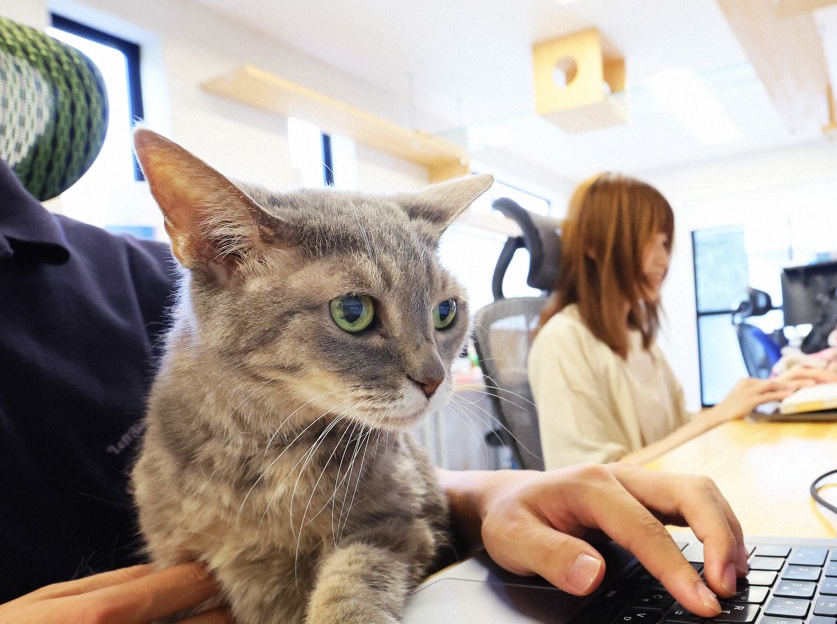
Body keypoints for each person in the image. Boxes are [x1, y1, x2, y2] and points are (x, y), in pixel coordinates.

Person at [0, 158, 749, 622]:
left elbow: (398, 504)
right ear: (223, 259)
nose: (430, 374)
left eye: (445, 315)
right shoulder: (198, 328)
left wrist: (489, 493)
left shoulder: (111, 275)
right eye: (356, 313)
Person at [529, 172, 837, 469]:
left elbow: (676, 431)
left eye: (664, 243)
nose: (662, 259)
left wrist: (757, 398)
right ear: (595, 245)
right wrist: (716, 415)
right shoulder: (562, 341)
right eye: (646, 242)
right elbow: (591, 482)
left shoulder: (637, 338)